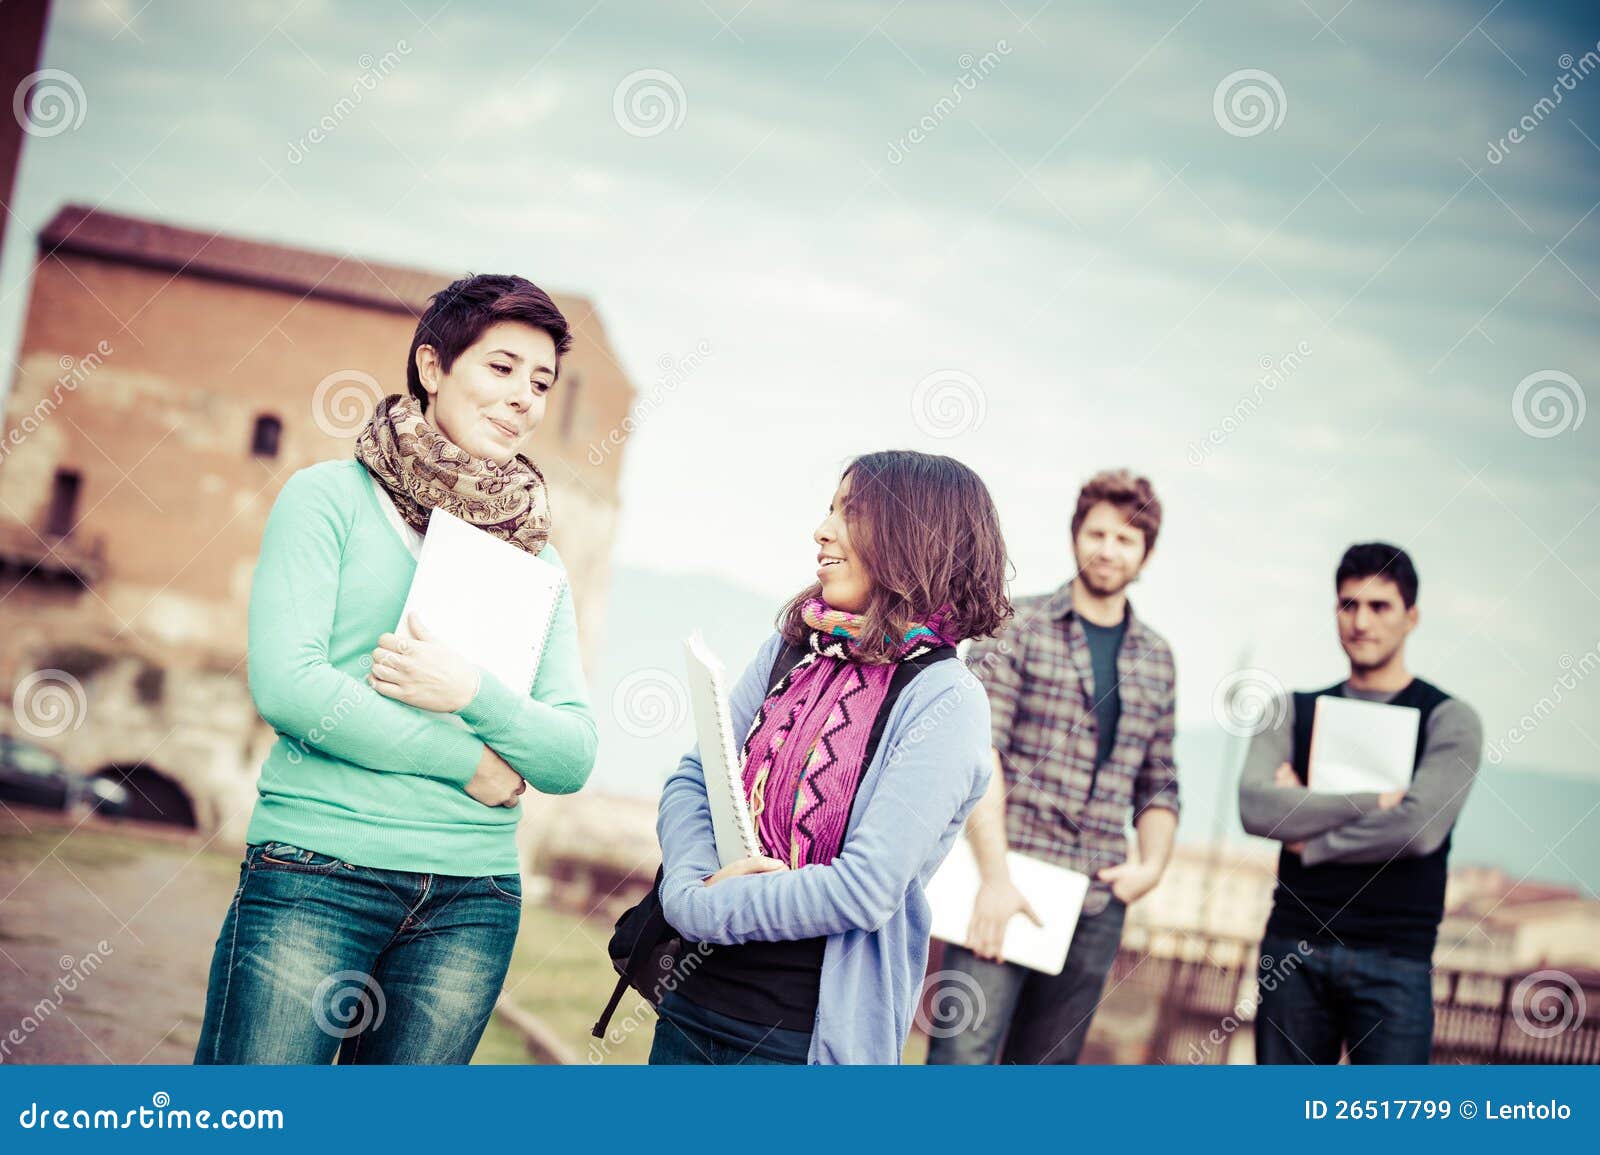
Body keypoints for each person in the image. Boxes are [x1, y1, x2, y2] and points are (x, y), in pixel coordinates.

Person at [194, 274, 598, 1065]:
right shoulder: (327, 499)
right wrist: (468, 759)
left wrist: (470, 693)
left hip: (471, 901)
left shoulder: (536, 553)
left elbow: (571, 751)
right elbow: (292, 685)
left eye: (542, 382)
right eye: (502, 368)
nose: (524, 397)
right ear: (432, 367)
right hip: (318, 872)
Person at [650, 451, 1011, 1064]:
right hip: (690, 1007)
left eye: (854, 513)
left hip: (799, 1042)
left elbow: (865, 888)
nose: (822, 530)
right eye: (830, 509)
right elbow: (695, 779)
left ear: (915, 540)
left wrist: (708, 909)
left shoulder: (946, 699)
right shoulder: (790, 647)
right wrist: (684, 887)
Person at [926, 468, 1180, 1065]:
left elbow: (1161, 778)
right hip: (1009, 879)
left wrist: (1153, 867)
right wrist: (994, 877)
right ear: (1075, 536)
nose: (1108, 549)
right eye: (1097, 533)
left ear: (1146, 552)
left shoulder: (1157, 658)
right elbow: (978, 754)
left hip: (1097, 898)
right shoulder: (1018, 625)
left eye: (1125, 539)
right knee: (962, 1060)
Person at [1239, 542, 1482, 1064]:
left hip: (1395, 960)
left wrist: (1308, 831)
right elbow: (1256, 809)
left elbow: (1419, 829)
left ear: (1411, 617)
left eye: (1379, 606)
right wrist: (1378, 801)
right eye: (1349, 605)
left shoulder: (1450, 719)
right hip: (1294, 949)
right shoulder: (1290, 710)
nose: (1361, 621)